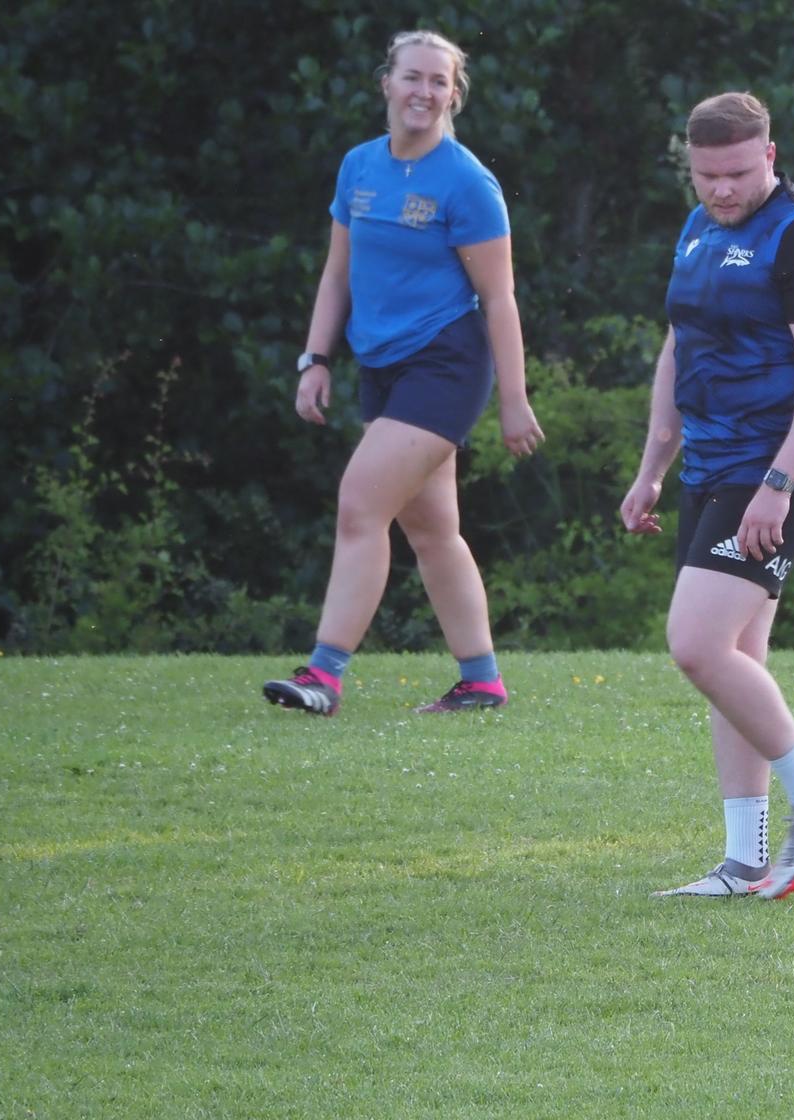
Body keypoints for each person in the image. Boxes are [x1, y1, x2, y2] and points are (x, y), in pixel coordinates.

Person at [617, 92, 794, 900]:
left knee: (695, 642)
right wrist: (653, 466)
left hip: (779, 471)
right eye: (705, 175)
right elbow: (680, 346)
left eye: (736, 173)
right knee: (733, 661)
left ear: (770, 154)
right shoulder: (697, 231)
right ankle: (744, 861)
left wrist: (778, 486)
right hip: (711, 471)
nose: (721, 190)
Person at [264, 29, 544, 718]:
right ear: (386, 82)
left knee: (361, 504)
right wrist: (315, 358)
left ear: (454, 94)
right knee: (432, 532)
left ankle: (323, 677)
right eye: (412, 77)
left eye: (438, 82)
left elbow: (499, 298)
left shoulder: (468, 182)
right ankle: (481, 681)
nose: (424, 92)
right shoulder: (359, 167)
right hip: (381, 367)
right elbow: (338, 273)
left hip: (446, 365)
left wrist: (514, 398)